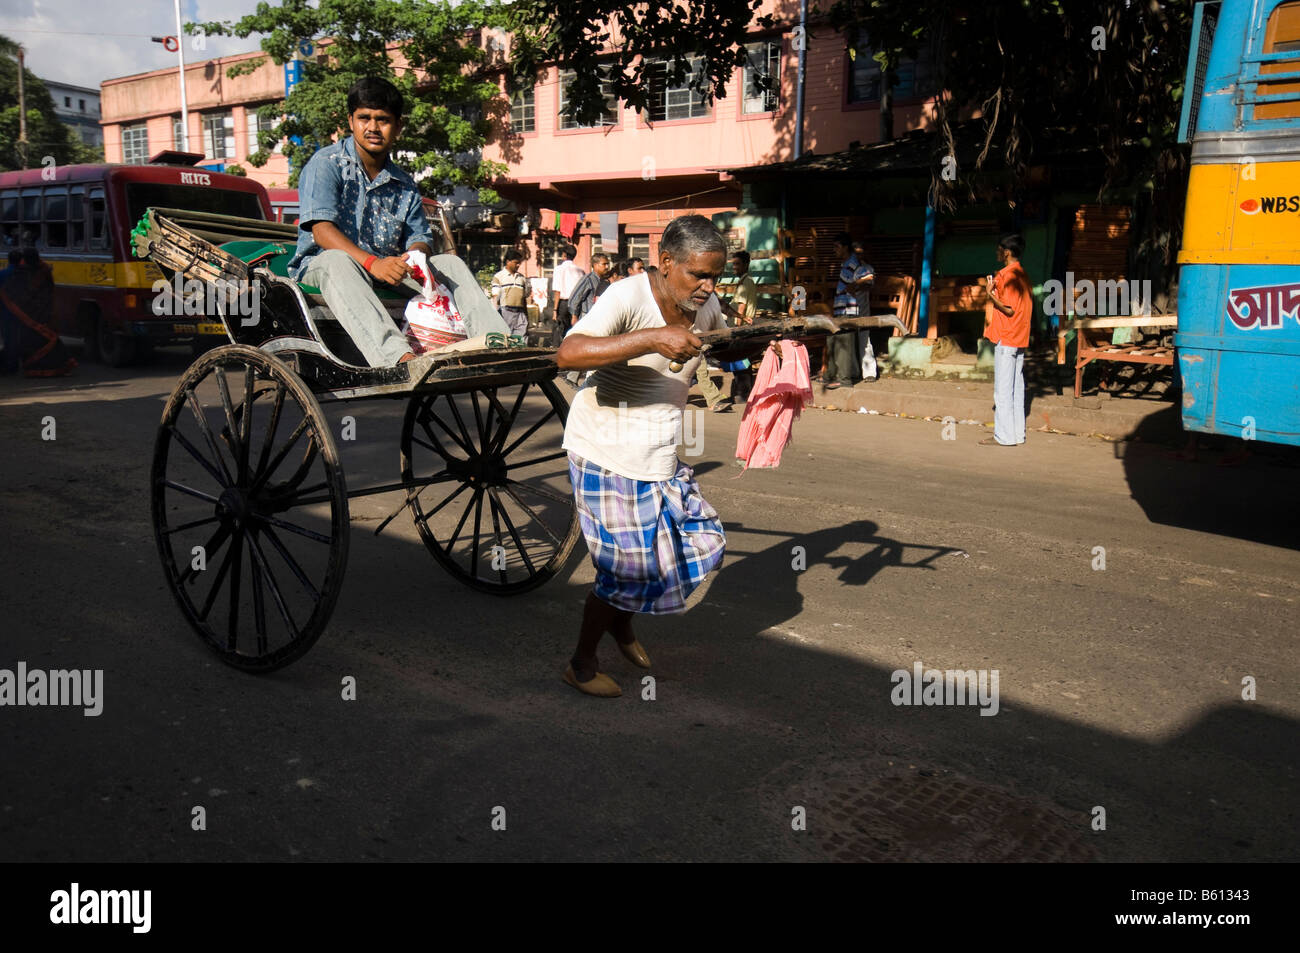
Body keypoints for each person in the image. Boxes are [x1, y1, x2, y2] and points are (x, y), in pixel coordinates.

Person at [554, 214, 729, 697]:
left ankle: (620, 623)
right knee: (625, 569)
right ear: (666, 262)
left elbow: (722, 341)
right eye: (699, 274)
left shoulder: (706, 303)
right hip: (604, 450)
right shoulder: (627, 296)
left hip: (658, 454)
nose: (708, 286)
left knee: (700, 543)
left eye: (716, 276)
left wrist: (778, 345)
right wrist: (651, 337)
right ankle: (582, 664)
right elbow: (568, 354)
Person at [286, 76, 509, 369]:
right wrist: (372, 263)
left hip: (387, 269)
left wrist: (415, 254)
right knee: (337, 260)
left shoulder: (404, 183)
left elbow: (420, 237)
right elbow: (322, 230)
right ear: (350, 122)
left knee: (450, 264)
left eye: (383, 120)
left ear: (398, 127)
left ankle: (496, 342)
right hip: (323, 267)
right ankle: (397, 357)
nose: (373, 127)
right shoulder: (326, 164)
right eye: (364, 118)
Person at [981, 233, 1034, 447]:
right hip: (1019, 336)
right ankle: (1016, 434)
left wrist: (990, 294)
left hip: (1007, 335)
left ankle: (1003, 436)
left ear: (1007, 252)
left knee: (1003, 390)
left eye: (999, 249)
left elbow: (1009, 310)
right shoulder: (1022, 274)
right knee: (1016, 387)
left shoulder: (1008, 276)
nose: (997, 253)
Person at [824, 232, 874, 389]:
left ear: (846, 247)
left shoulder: (854, 264)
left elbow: (869, 279)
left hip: (852, 309)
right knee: (846, 342)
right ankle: (851, 373)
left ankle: (864, 373)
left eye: (837, 247)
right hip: (843, 308)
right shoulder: (845, 265)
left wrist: (856, 286)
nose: (834, 250)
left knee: (857, 339)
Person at [550, 244, 585, 346]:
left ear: (564, 255)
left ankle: (557, 350)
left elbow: (557, 290)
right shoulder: (580, 271)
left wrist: (555, 310)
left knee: (560, 328)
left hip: (563, 304)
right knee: (573, 329)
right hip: (576, 304)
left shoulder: (559, 269)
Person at [490, 249, 530, 337]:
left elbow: (524, 299)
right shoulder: (499, 277)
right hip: (506, 313)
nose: (518, 265)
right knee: (506, 338)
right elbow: (495, 297)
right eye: (516, 262)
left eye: (519, 263)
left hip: (520, 313)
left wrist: (526, 315)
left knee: (521, 340)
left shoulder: (522, 278)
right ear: (508, 262)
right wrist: (495, 315)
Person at [0, 249, 21, 374]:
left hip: (6, 311)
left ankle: (11, 365)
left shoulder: (2, 274)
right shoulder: (26, 274)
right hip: (24, 313)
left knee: (8, 338)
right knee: (21, 337)